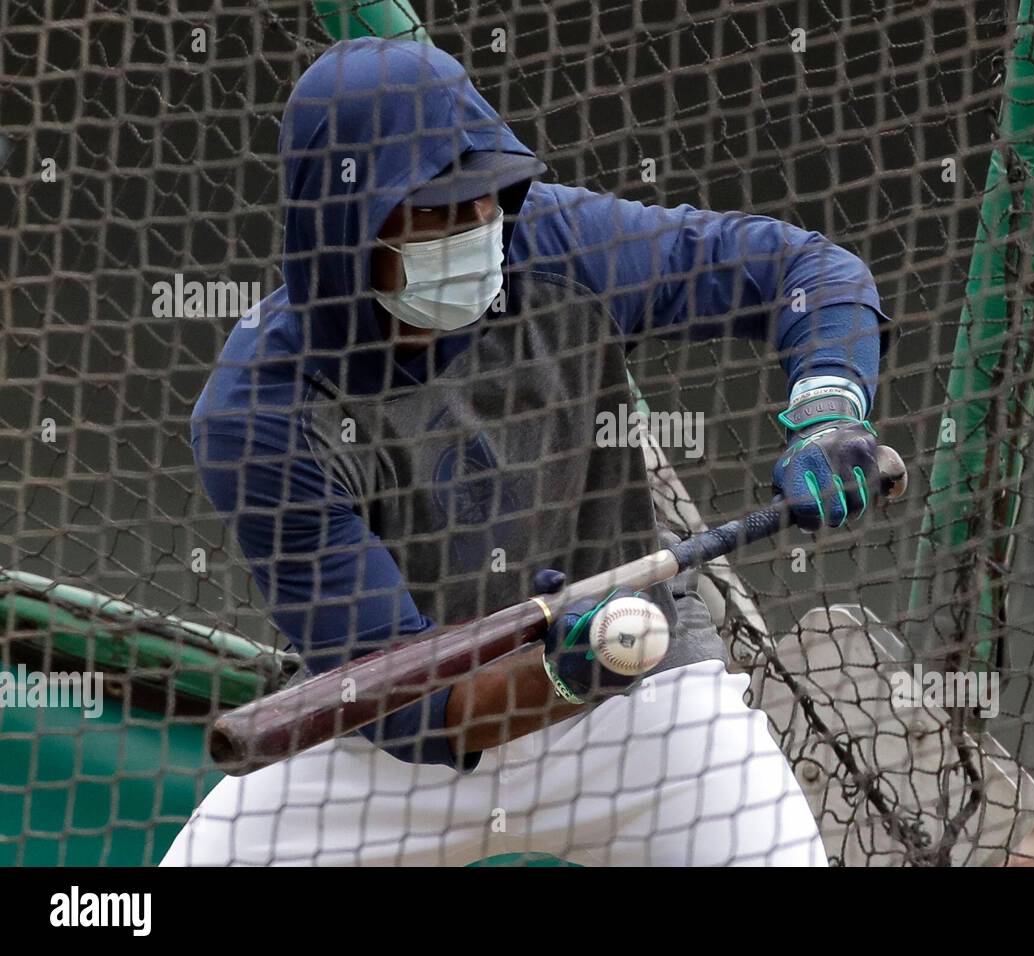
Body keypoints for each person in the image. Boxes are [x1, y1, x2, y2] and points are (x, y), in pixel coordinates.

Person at [162, 36, 887, 867]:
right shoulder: (261, 414)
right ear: (343, 225)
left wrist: (828, 407)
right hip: (399, 733)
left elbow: (802, 270)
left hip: (640, 712)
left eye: (486, 199)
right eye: (435, 210)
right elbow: (410, 711)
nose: (477, 230)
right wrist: (559, 675)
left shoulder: (549, 242)